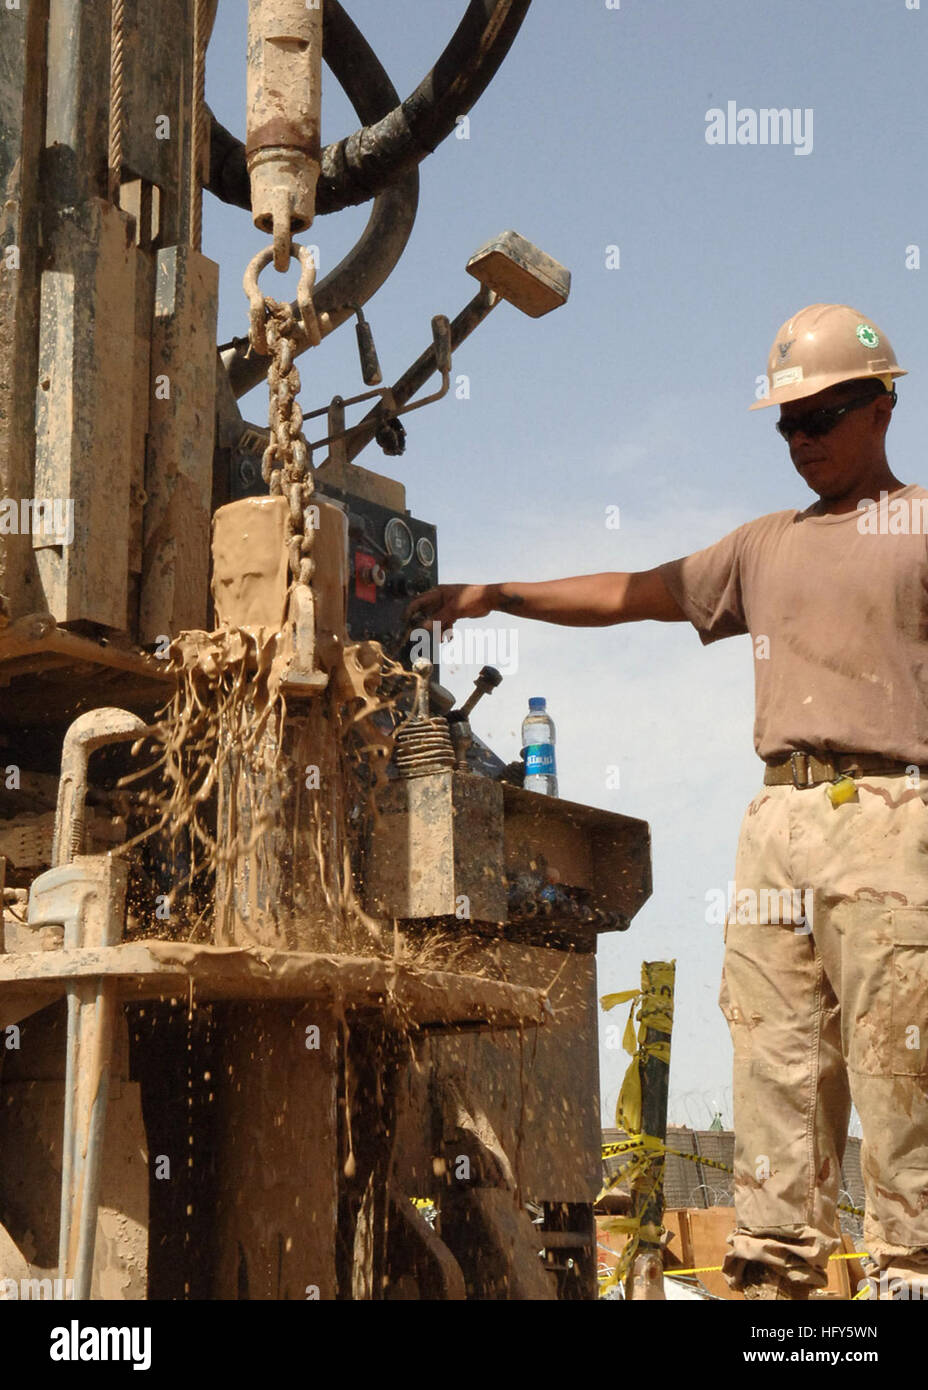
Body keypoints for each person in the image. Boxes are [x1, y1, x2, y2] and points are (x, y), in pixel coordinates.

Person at [405, 303, 928, 1301]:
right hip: (776, 823)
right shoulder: (760, 547)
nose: (799, 438)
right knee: (773, 1065)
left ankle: (909, 1270)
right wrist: (499, 594)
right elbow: (633, 590)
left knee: (898, 1061)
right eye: (784, 422)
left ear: (879, 407)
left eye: (818, 415)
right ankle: (781, 1286)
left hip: (893, 817)